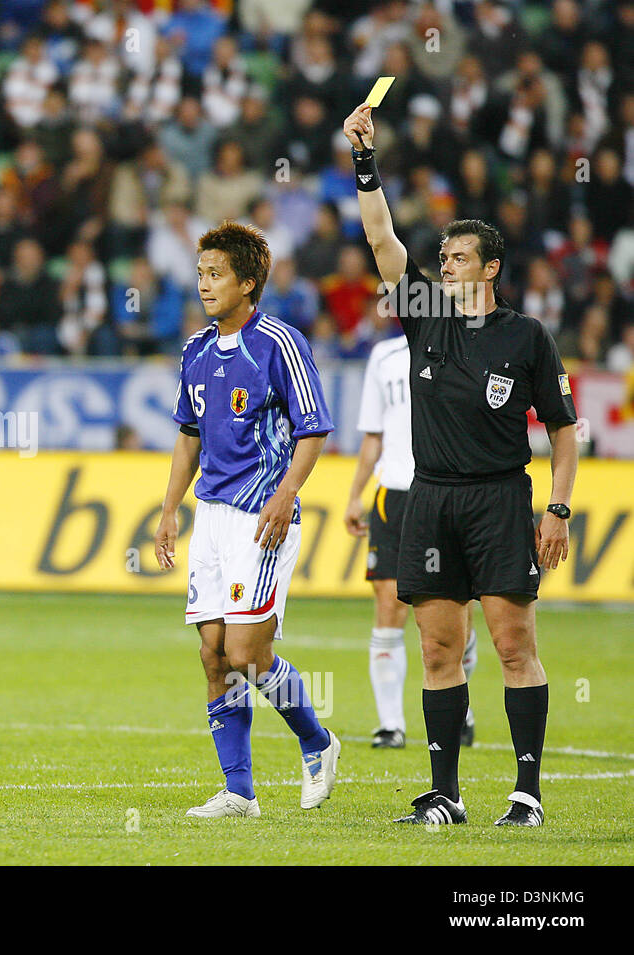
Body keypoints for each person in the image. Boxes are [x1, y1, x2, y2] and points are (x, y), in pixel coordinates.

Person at [346, 100, 577, 827]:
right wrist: (364, 159)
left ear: (491, 268)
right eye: (440, 257)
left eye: (456, 257)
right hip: (430, 499)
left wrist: (559, 506)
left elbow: (565, 431)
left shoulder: (526, 335)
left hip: (501, 500)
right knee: (439, 644)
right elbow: (381, 239)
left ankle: (527, 794)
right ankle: (445, 794)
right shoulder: (425, 314)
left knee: (513, 643)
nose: (443, 265)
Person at [154, 221, 341, 820]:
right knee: (212, 653)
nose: (204, 285)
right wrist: (168, 512)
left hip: (261, 515)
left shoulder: (280, 344)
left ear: (248, 282)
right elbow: (188, 437)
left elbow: (314, 431)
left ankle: (318, 742)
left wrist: (287, 494)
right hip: (209, 516)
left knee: (245, 652)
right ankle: (239, 792)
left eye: (216, 275)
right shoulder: (195, 350)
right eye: (201, 273)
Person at [344, 333, 479, 749]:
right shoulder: (383, 357)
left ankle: (461, 707)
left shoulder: (467, 348)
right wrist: (355, 494)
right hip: (396, 495)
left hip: (448, 491)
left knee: (457, 611)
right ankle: (390, 725)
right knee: (389, 604)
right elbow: (373, 434)